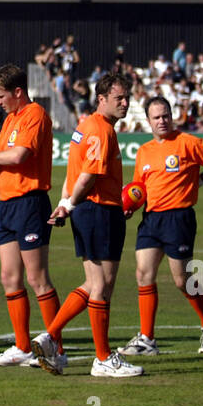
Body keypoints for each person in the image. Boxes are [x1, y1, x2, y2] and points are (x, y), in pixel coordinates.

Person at [31, 73, 142, 378]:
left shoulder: (85, 126)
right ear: (101, 98)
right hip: (98, 212)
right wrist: (68, 204)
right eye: (119, 98)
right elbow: (88, 176)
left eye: (127, 97)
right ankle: (103, 358)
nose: (125, 102)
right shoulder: (101, 130)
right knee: (103, 287)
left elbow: (73, 173)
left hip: (89, 210)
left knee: (92, 285)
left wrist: (66, 201)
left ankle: (50, 336)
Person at [119, 97, 203, 358]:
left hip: (178, 218)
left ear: (172, 115)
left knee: (182, 280)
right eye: (156, 117)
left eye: (165, 115)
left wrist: (199, 182)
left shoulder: (188, 143)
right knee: (143, 275)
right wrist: (130, 206)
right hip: (151, 219)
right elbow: (139, 188)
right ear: (148, 121)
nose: (162, 121)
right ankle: (147, 338)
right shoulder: (144, 151)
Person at [0, 64, 63, 367]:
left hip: (30, 204)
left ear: (18, 92)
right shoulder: (12, 119)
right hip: (7, 205)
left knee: (37, 278)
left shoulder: (35, 115)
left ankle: (56, 349)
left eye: (0, 96)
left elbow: (19, 155)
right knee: (10, 277)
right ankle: (22, 346)